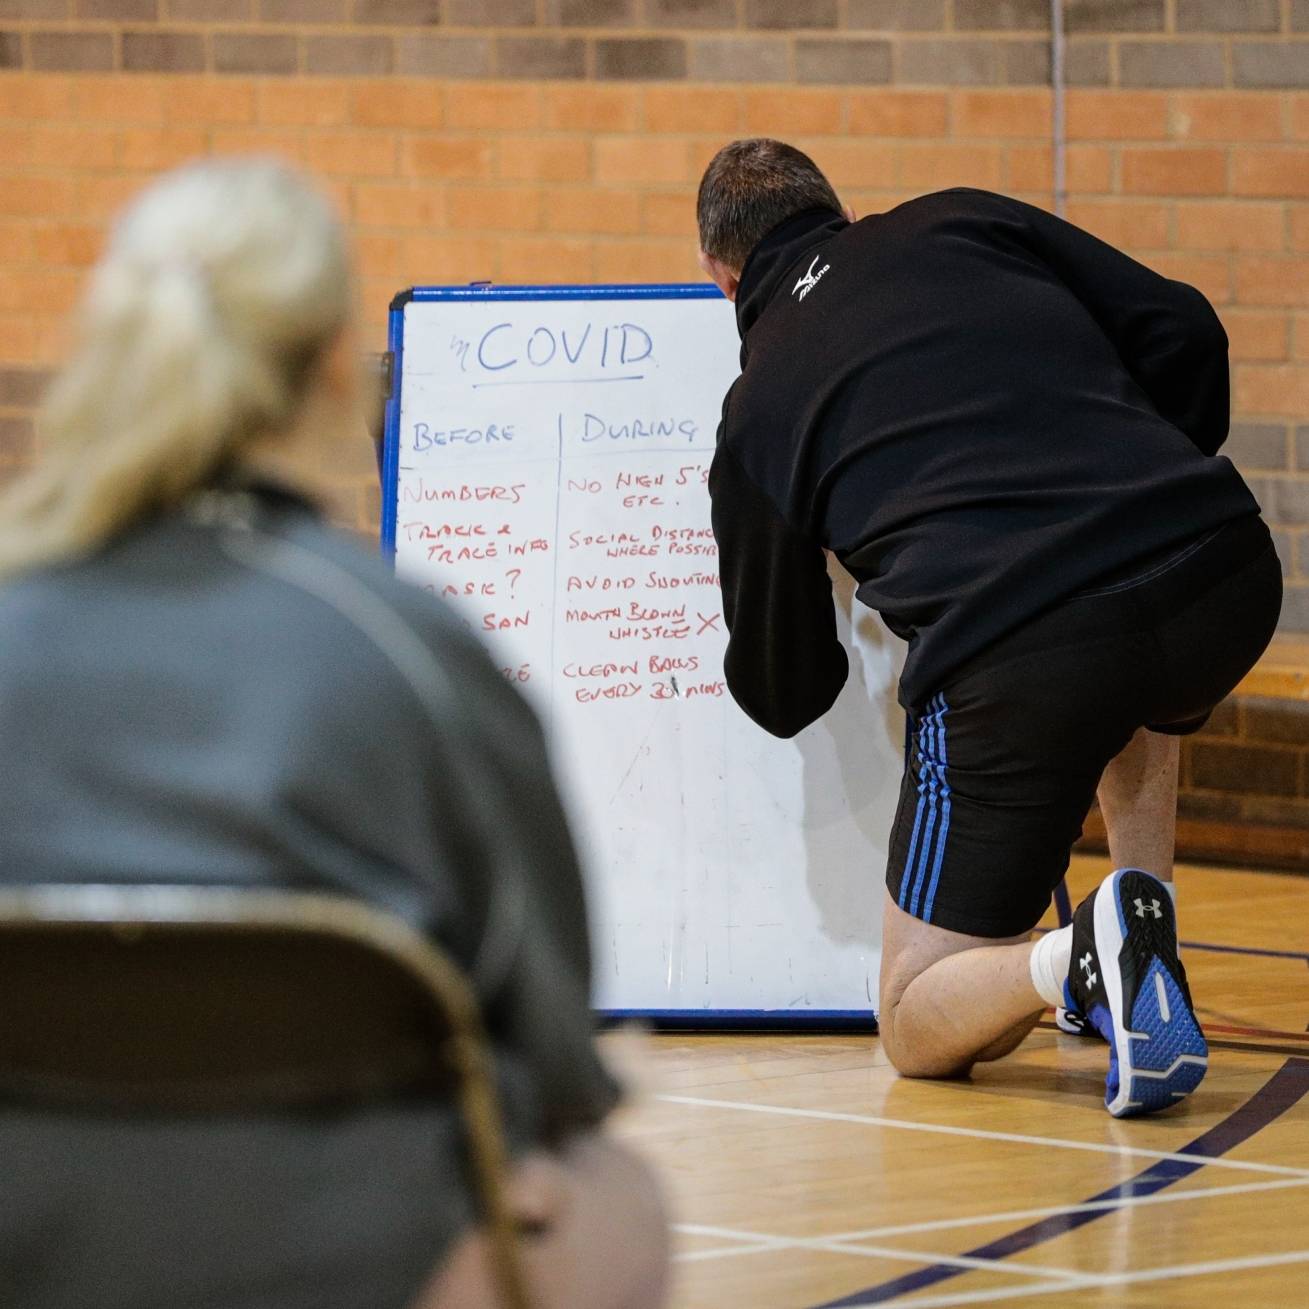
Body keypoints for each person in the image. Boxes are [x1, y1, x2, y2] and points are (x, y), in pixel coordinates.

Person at [0, 159, 668, 1309]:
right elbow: (550, 1054)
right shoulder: (408, 648)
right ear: (327, 368)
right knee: (617, 1192)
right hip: (361, 1263)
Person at [696, 138, 1282, 1118]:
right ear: (839, 209)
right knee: (1126, 670)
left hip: (1021, 654)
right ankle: (1147, 956)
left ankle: (1080, 955)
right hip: (1220, 575)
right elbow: (1184, 328)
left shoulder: (756, 412)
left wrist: (844, 562)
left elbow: (783, 688)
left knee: (916, 1012)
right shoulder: (959, 217)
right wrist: (1148, 474)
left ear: (722, 278)